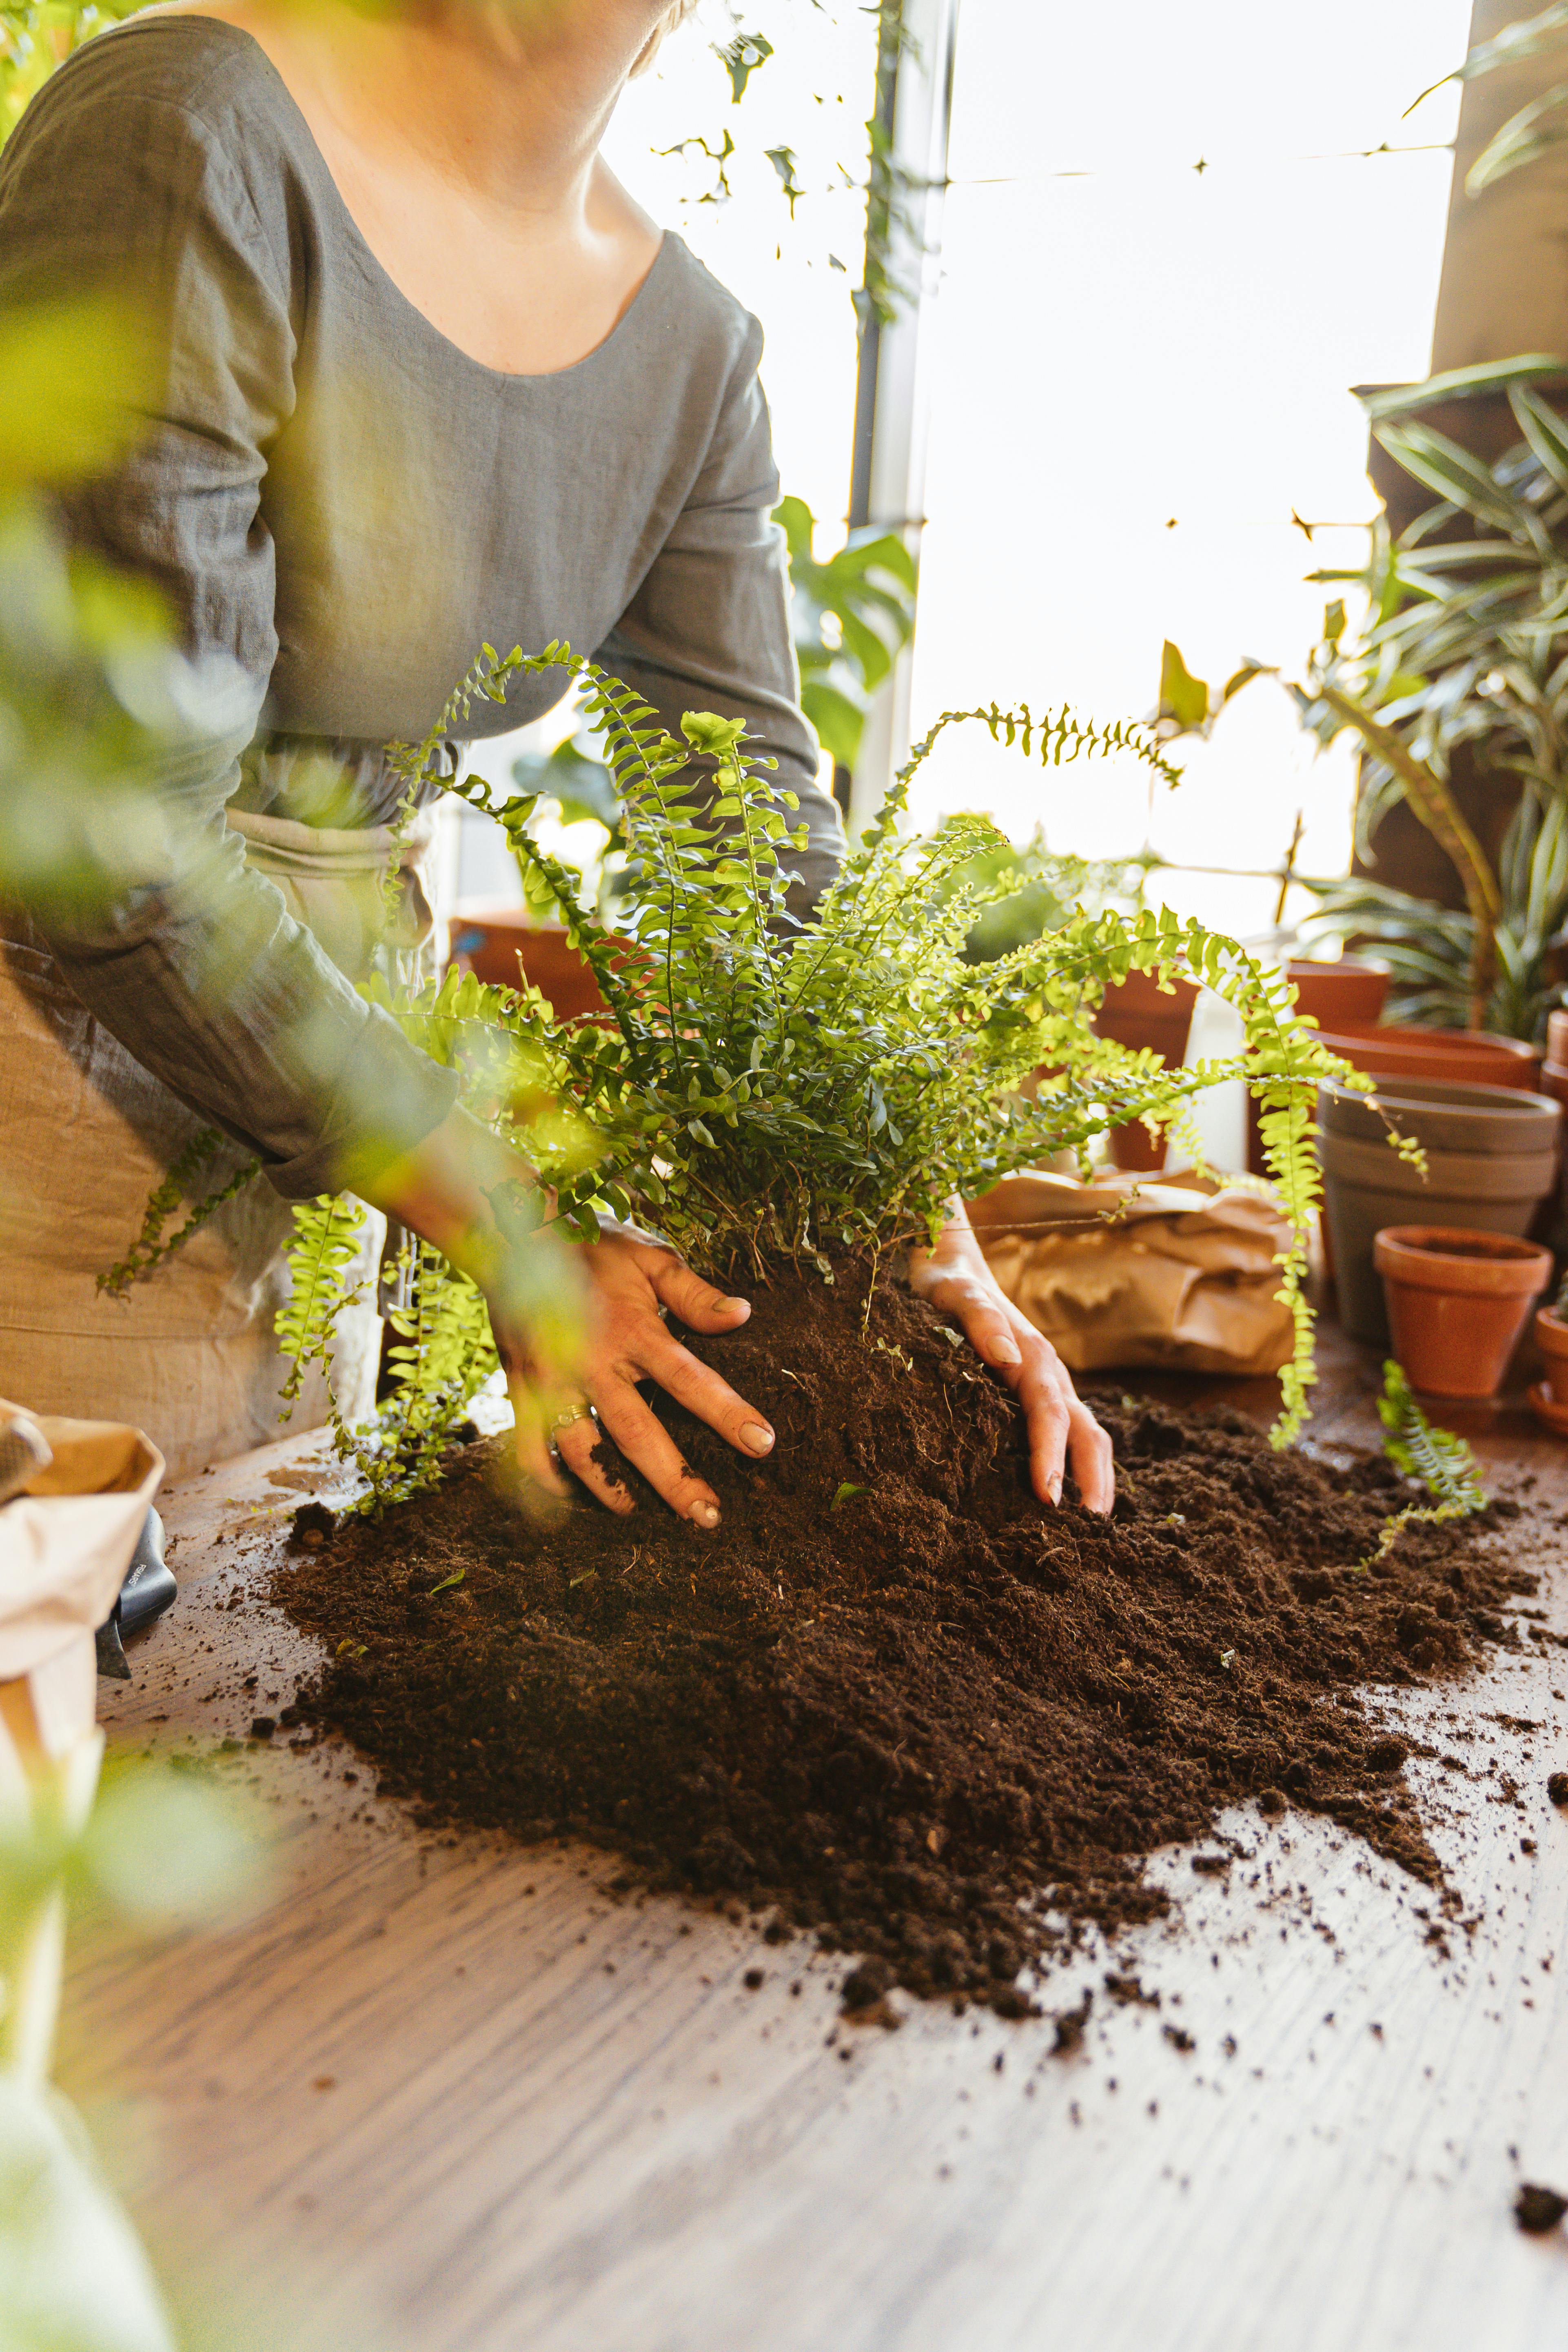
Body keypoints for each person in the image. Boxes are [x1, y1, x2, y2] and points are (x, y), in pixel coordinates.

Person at [0, 0, 1114, 1518]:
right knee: (82, 1664)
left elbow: (757, 845)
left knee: (243, 1596)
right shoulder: (192, 129)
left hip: (353, 1101)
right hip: (56, 1076)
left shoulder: (687, 348)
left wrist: (913, 1223)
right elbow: (122, 834)